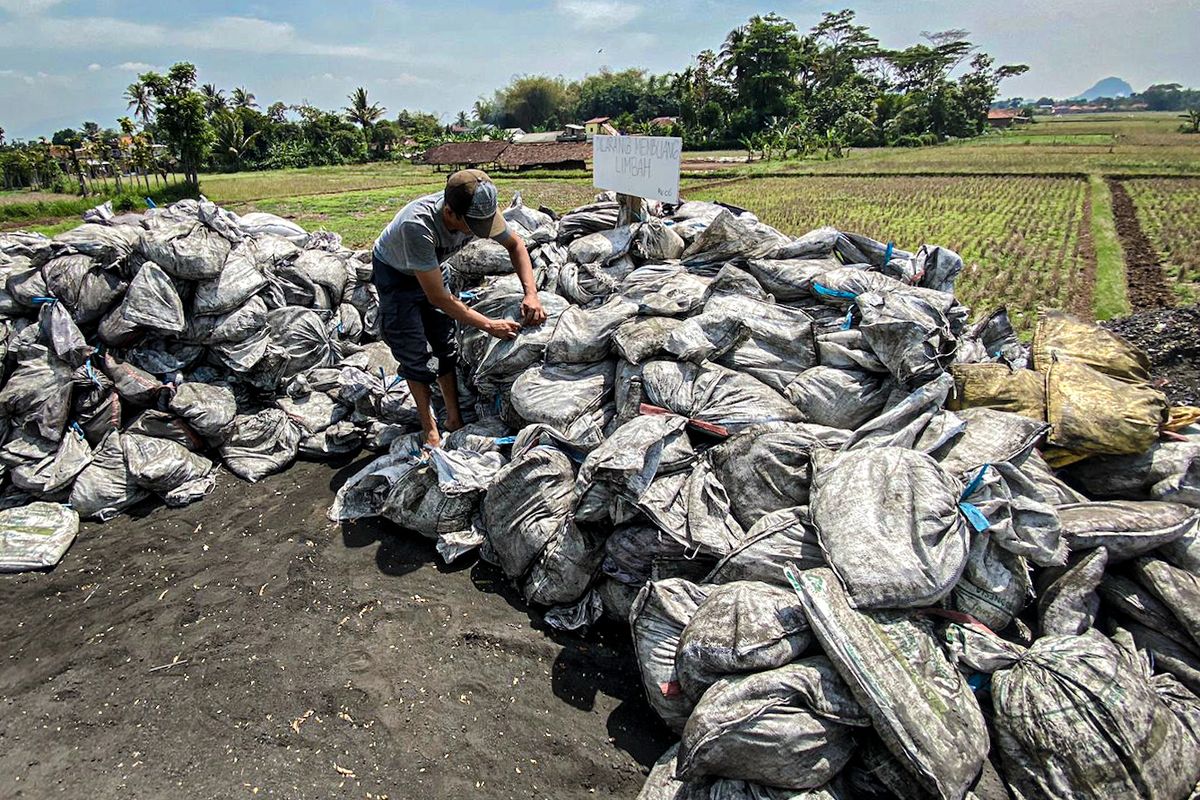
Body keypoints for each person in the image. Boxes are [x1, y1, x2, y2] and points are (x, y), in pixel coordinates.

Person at [371, 169, 547, 447]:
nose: (479, 232)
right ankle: (429, 428)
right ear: (450, 213)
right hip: (396, 273)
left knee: (444, 342)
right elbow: (439, 298)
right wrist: (489, 325)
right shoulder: (417, 227)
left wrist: (531, 294)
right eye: (473, 226)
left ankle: (454, 418)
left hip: (431, 268)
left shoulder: (479, 210)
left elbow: (516, 245)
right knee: (413, 350)